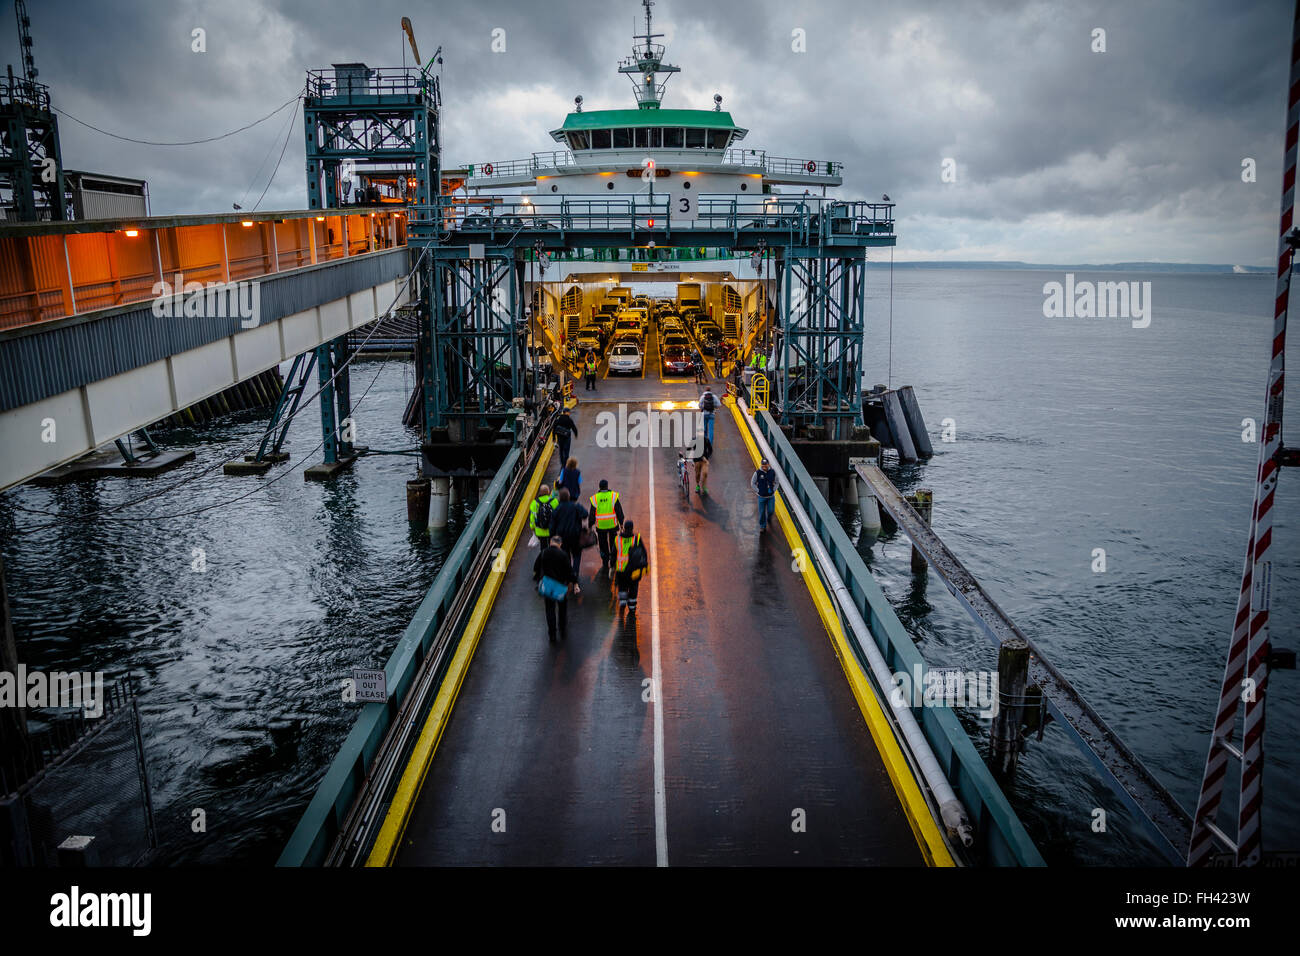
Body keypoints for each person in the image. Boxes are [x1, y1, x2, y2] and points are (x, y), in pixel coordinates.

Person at [533, 535, 575, 642]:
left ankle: (552, 633)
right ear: (560, 544)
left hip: (548, 586)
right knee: (562, 609)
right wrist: (573, 582)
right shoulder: (563, 555)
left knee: (549, 609)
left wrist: (539, 578)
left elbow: (536, 567)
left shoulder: (544, 552)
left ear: (551, 543)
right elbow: (569, 571)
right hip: (561, 586)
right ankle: (562, 629)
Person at [551, 487, 589, 589]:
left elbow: (552, 526)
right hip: (575, 536)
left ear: (560, 498)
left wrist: (553, 537)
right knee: (576, 556)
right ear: (568, 497)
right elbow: (585, 514)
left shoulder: (557, 509)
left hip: (562, 538)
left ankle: (567, 576)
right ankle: (575, 574)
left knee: (565, 557)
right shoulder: (575, 506)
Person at [588, 479, 625, 573]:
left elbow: (592, 514)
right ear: (607, 486)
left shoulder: (595, 498)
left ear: (599, 487)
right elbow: (619, 511)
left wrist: (590, 525)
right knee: (613, 542)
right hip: (612, 524)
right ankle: (613, 561)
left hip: (601, 526)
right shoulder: (613, 496)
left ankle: (605, 561)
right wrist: (621, 523)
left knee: (602, 543)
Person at [614, 519, 648, 614]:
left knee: (622, 587)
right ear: (632, 528)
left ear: (624, 528)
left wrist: (612, 567)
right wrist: (644, 565)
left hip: (621, 570)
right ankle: (632, 608)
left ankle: (623, 603)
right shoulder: (636, 538)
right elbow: (643, 553)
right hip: (633, 570)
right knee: (633, 588)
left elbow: (613, 554)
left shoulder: (618, 539)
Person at [751, 457, 777, 532]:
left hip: (770, 497)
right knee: (762, 512)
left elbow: (777, 482)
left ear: (768, 464)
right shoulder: (757, 473)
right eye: (763, 465)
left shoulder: (772, 472)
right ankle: (762, 526)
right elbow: (752, 483)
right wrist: (758, 491)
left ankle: (769, 517)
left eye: (765, 465)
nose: (764, 467)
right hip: (761, 497)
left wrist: (773, 490)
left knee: (771, 510)